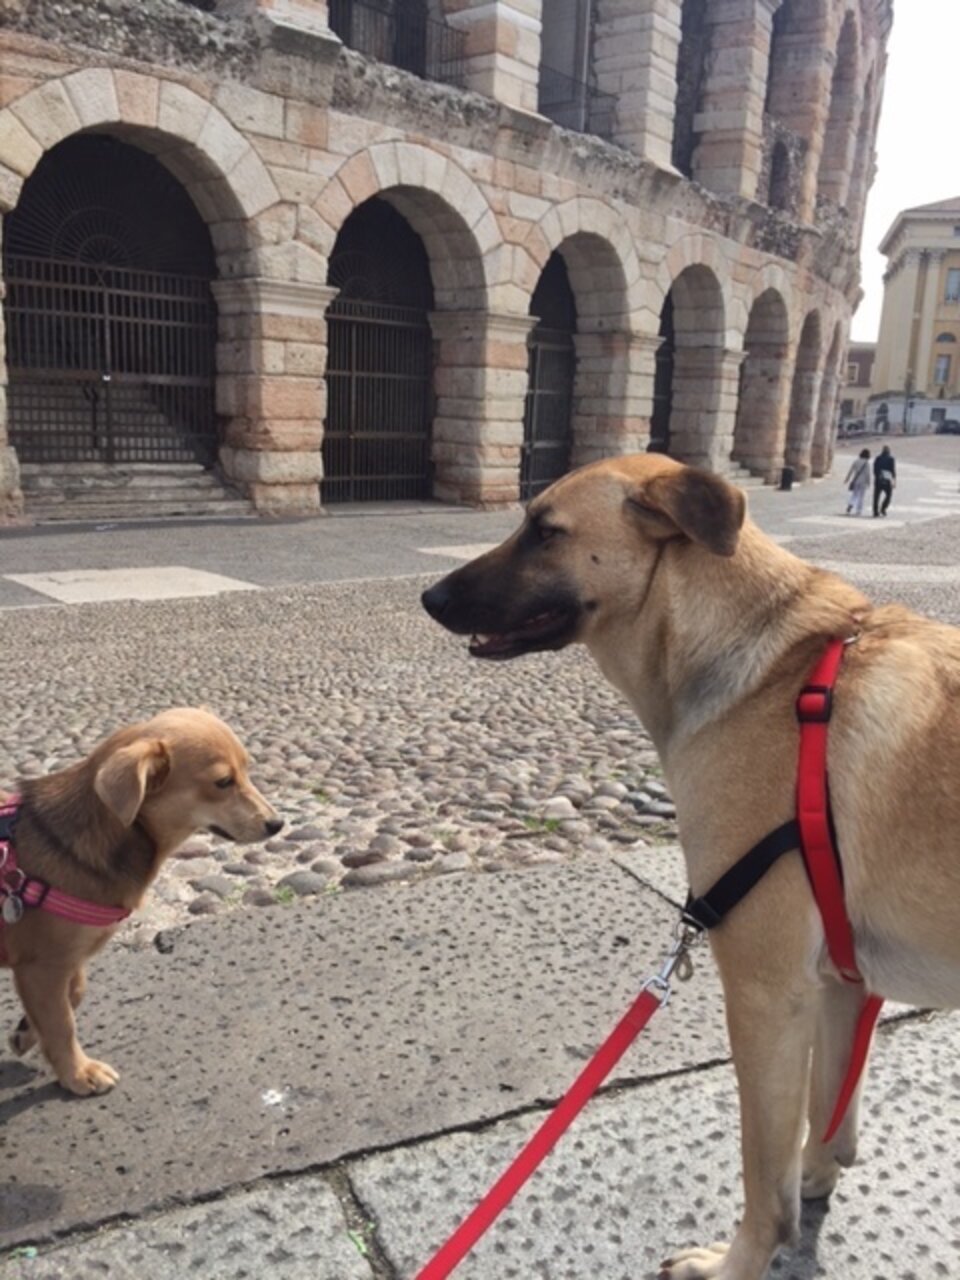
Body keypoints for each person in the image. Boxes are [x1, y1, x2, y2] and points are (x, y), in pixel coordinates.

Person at [844, 447, 871, 516]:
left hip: (856, 480)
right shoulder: (866, 463)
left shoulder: (856, 461)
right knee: (861, 497)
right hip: (863, 482)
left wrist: (847, 479)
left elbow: (851, 471)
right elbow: (867, 474)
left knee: (854, 495)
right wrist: (869, 482)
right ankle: (859, 510)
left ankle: (850, 504)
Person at [873, 444, 896, 517]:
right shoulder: (891, 459)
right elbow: (892, 470)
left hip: (878, 479)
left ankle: (875, 511)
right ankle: (883, 508)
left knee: (876, 496)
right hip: (887, 480)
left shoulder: (878, 458)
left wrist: (877, 476)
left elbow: (874, 468)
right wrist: (894, 480)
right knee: (888, 495)